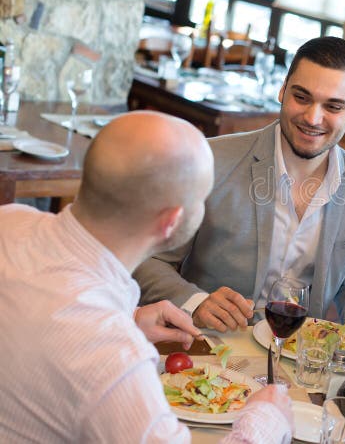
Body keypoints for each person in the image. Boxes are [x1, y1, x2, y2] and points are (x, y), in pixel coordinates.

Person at [0, 112, 293, 443]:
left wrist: (131, 317)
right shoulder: (114, 356)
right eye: (202, 198)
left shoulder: (9, 221)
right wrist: (264, 420)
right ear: (170, 222)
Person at [134, 36, 345, 332]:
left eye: (333, 106)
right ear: (282, 90)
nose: (313, 117)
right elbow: (147, 259)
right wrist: (195, 301)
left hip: (302, 361)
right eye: (301, 97)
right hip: (210, 347)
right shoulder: (210, 159)